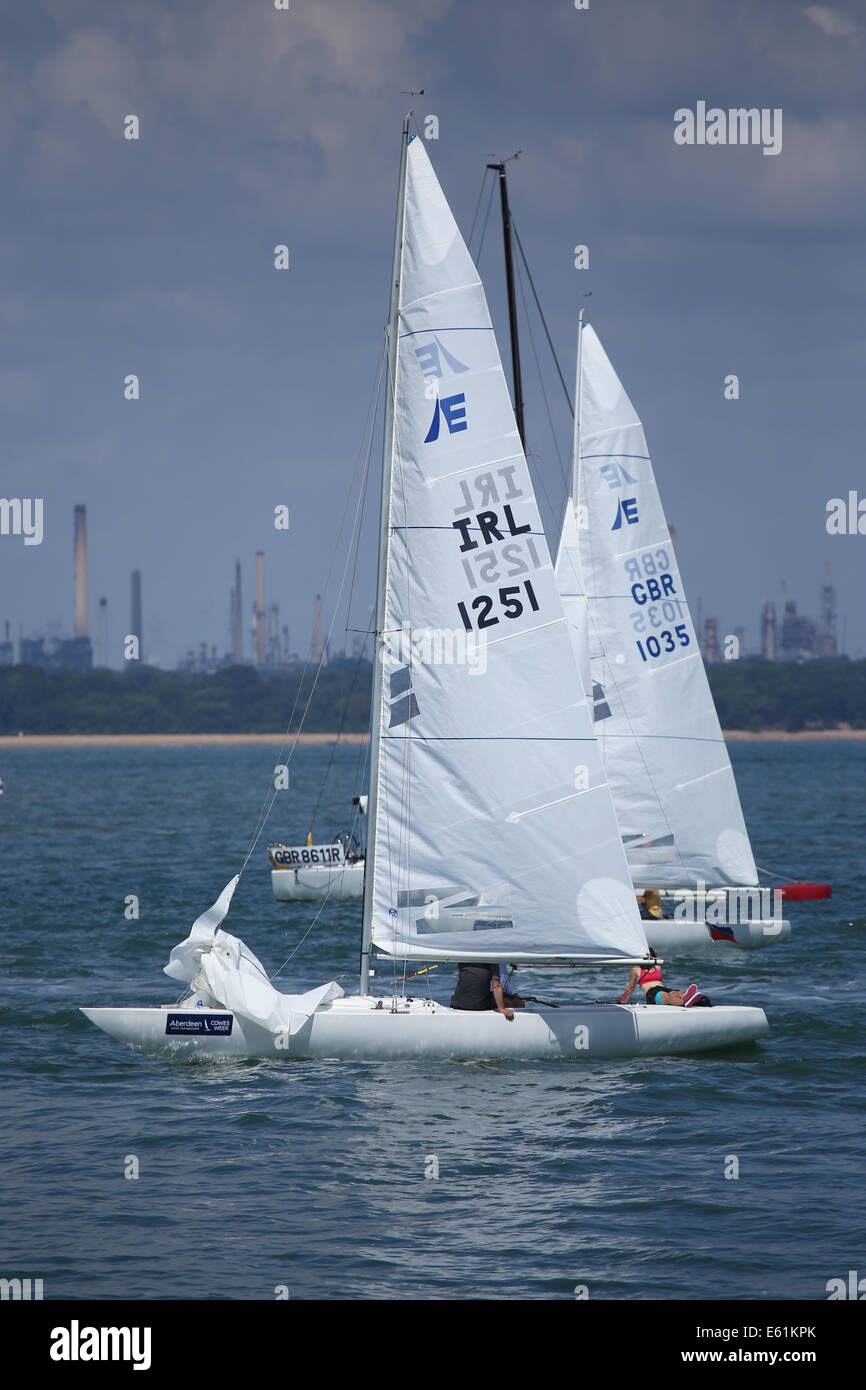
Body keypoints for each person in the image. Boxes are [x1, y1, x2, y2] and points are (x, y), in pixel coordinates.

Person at [617, 949, 685, 1007]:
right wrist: (623, 1002)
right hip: (651, 993)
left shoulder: (657, 967)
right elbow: (630, 987)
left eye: (651, 958)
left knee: (677, 993)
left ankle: (690, 1000)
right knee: (667, 997)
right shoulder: (636, 969)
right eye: (647, 958)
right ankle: (684, 1002)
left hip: (662, 989)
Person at [450, 962, 515, 1019]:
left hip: (458, 1004)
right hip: (480, 1006)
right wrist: (502, 1009)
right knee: (509, 1002)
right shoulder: (493, 961)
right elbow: (496, 986)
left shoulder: (464, 959)